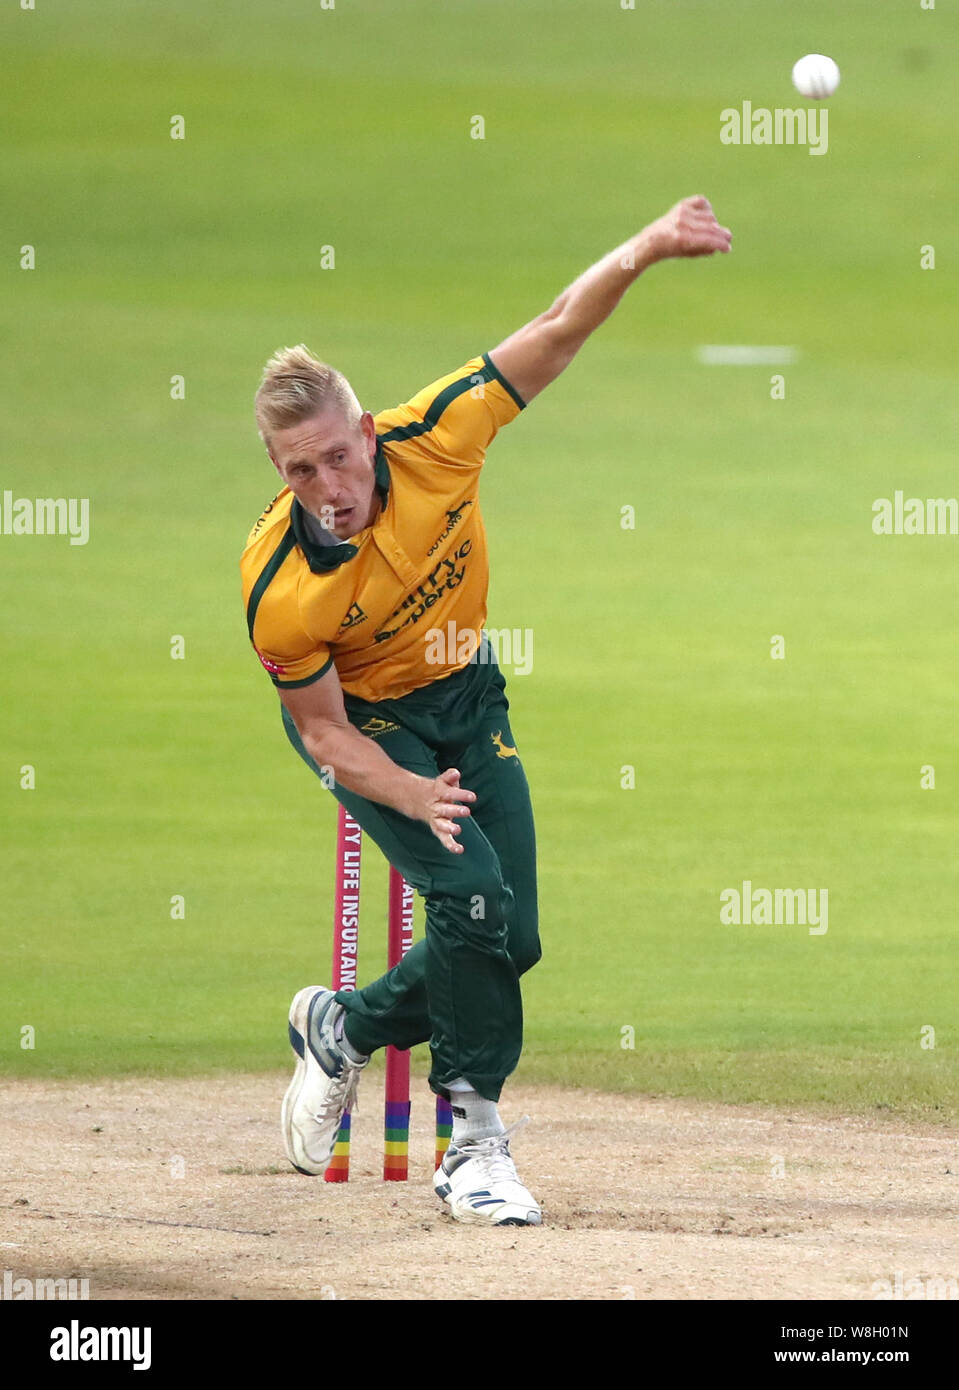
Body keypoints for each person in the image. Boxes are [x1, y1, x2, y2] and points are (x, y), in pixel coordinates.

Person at [241, 195, 732, 1227]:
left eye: (338, 455)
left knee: (513, 937)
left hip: (466, 688)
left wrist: (644, 248)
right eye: (300, 470)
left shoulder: (436, 436)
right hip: (369, 725)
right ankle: (472, 1145)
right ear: (277, 473)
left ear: (366, 433)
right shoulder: (280, 586)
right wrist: (410, 793)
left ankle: (342, 1029)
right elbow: (322, 731)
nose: (328, 486)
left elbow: (553, 330)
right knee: (468, 897)